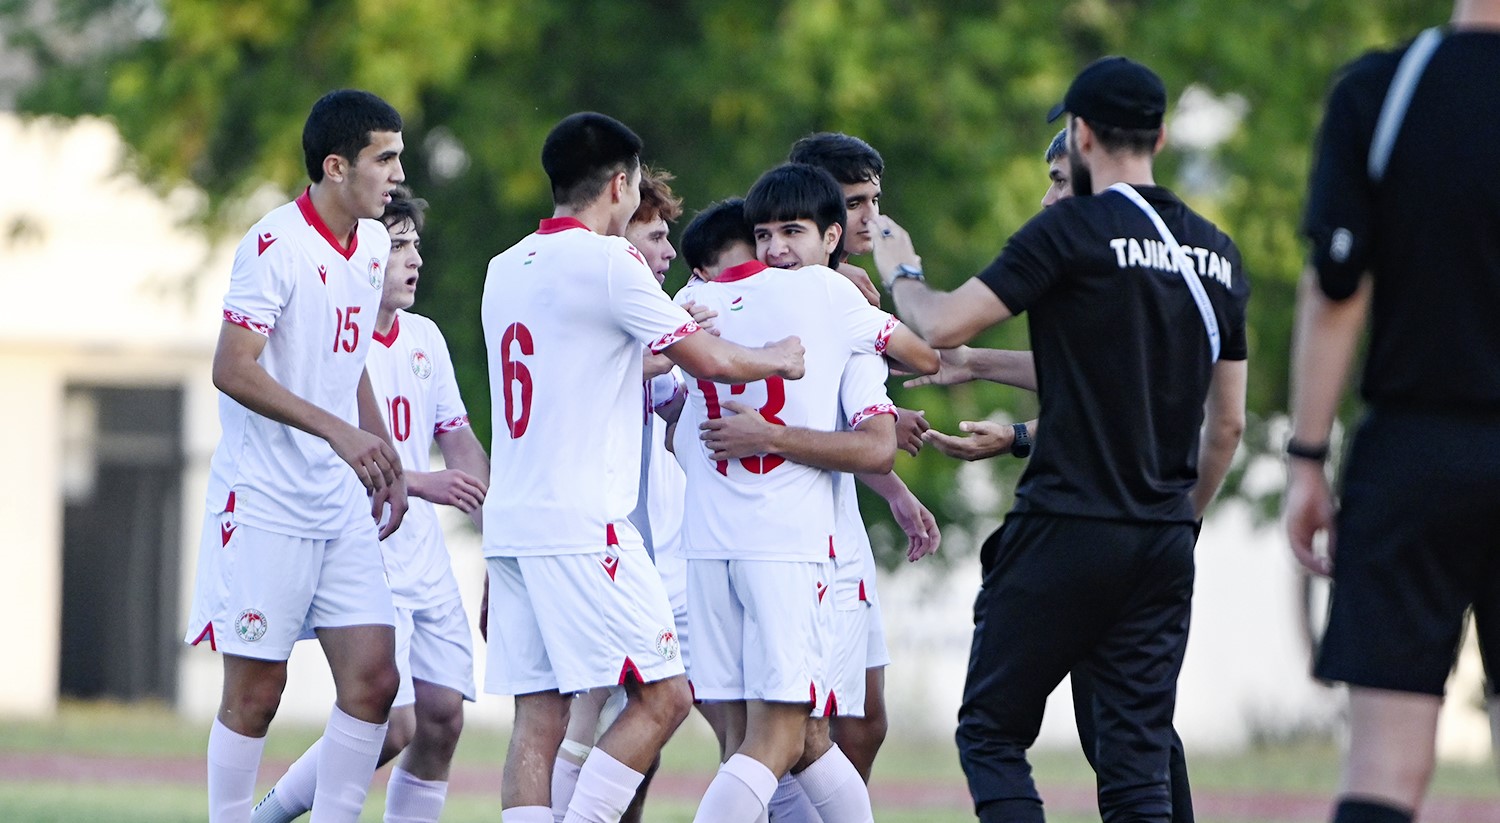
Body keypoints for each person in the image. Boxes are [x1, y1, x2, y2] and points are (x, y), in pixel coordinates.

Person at [870, 57, 1248, 822]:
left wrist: (899, 264)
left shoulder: (1071, 229)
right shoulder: (1216, 252)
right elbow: (1227, 422)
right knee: (1137, 768)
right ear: (1162, 135)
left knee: (992, 728)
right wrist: (1178, 516)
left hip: (1067, 524)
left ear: (1079, 136)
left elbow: (937, 320)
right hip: (1163, 537)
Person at [480, 111, 805, 823]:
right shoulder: (609, 262)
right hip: (584, 522)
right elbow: (711, 361)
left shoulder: (503, 267)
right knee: (666, 695)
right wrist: (780, 355)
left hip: (511, 523)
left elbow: (590, 364)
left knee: (537, 718)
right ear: (621, 185)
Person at [1284, 4, 1500, 822]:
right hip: (1423, 447)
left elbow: (1336, 289)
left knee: (1385, 766)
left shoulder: (1383, 91)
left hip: (1415, 452)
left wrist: (1308, 455)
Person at [675, 166, 936, 823]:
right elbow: (924, 361)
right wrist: (876, 317)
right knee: (779, 738)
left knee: (796, 739)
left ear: (830, 234)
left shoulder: (696, 300)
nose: (775, 247)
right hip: (787, 551)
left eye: (790, 231)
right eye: (764, 233)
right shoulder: (831, 297)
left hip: (708, 547)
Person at [183, 88, 410, 823]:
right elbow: (232, 367)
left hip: (336, 498)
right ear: (337, 166)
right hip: (266, 501)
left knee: (374, 680)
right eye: (386, 158)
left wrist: (380, 449)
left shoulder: (373, 242)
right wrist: (338, 433)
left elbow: (350, 361)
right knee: (258, 693)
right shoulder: (273, 243)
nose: (397, 174)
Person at [251, 188, 488, 823]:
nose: (414, 261)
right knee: (392, 723)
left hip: (424, 555)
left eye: (416, 246)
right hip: (364, 546)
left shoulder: (426, 338)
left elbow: (461, 447)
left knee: (442, 720)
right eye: (398, 246)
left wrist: (499, 546)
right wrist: (421, 483)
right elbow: (331, 453)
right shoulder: (333, 339)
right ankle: (266, 814)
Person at [785, 134, 943, 795]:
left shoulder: (851, 288)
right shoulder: (808, 286)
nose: (869, 219)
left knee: (865, 722)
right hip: (796, 530)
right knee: (799, 728)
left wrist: (897, 491)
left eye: (876, 200)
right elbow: (932, 356)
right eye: (855, 204)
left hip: (841, 519)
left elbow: (856, 406)